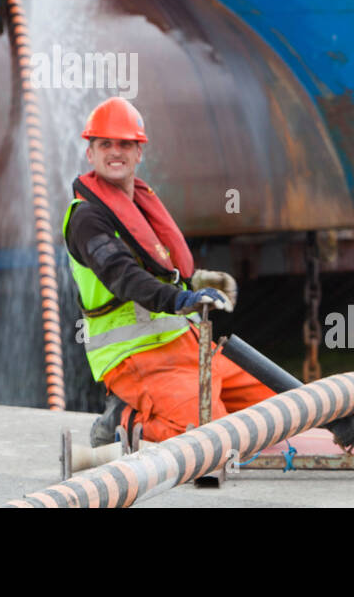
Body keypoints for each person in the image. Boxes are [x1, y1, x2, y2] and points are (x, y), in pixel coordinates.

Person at [62, 97, 275, 446]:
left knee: (280, 407)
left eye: (125, 144)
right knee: (214, 436)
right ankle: (123, 421)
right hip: (136, 357)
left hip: (186, 344)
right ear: (90, 154)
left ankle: (168, 410)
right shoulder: (86, 218)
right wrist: (181, 298)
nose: (116, 152)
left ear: (139, 152)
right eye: (105, 144)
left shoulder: (140, 205)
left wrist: (197, 280)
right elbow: (123, 275)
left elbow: (159, 266)